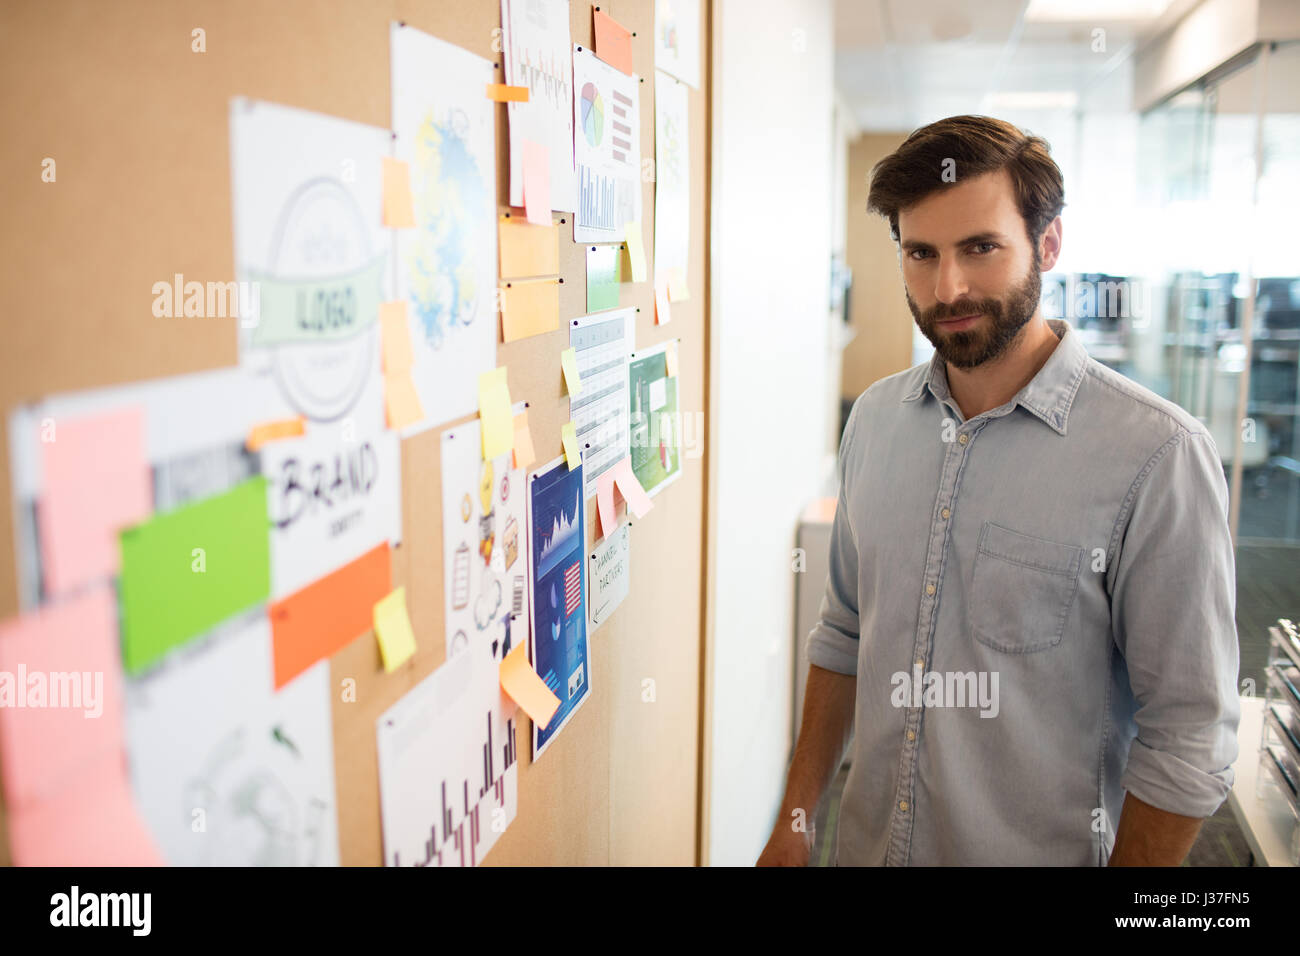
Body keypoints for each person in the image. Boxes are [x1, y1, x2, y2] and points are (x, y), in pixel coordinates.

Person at [757, 115, 1240, 866]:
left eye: (980, 248)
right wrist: (794, 824)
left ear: (1048, 245)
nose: (947, 287)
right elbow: (846, 632)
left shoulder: (1157, 456)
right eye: (921, 254)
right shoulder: (876, 423)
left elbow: (1189, 734)